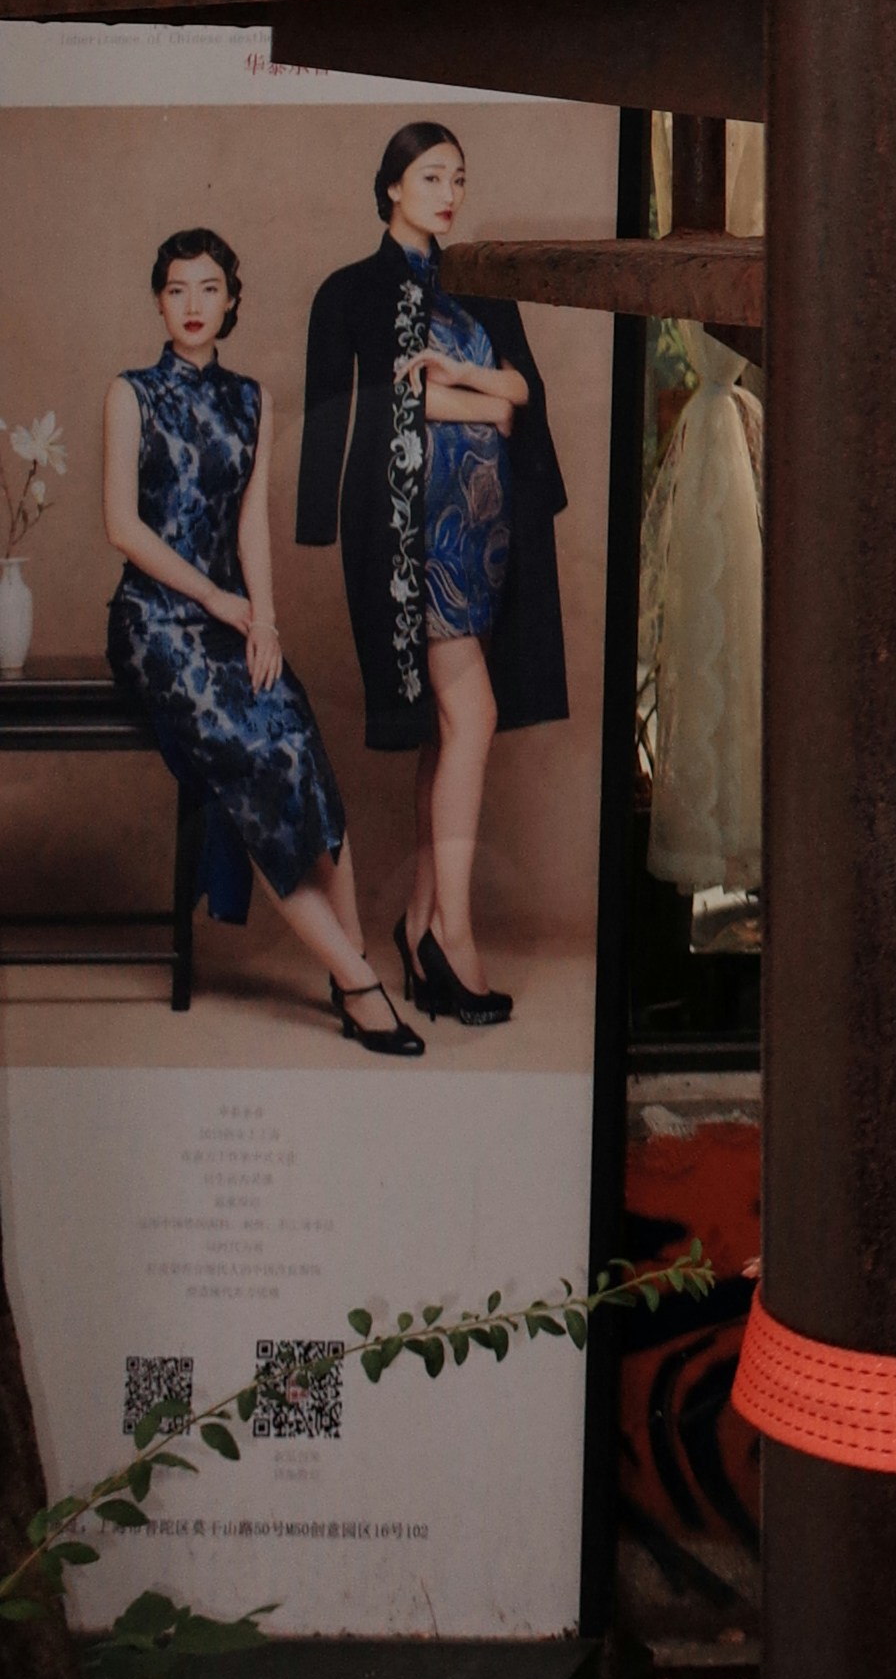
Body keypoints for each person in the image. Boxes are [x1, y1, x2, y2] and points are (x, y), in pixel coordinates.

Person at [103, 227, 418, 1052]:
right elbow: (122, 527)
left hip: (236, 617)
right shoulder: (130, 393)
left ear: (232, 299)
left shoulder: (252, 399)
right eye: (177, 289)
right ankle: (358, 981)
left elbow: (251, 523)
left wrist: (264, 619)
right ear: (158, 301)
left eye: (209, 288)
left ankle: (348, 965)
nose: (193, 305)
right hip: (156, 622)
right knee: (253, 759)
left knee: (299, 743)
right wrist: (218, 600)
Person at [296, 120, 567, 1031]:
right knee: (472, 715)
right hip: (413, 540)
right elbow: (363, 408)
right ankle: (453, 931)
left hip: (488, 537)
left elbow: (525, 403)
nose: (448, 192)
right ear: (390, 189)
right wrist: (471, 401)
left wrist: (466, 397)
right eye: (429, 176)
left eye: (459, 176)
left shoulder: (485, 286)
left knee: (446, 730)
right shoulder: (352, 291)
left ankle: (417, 928)